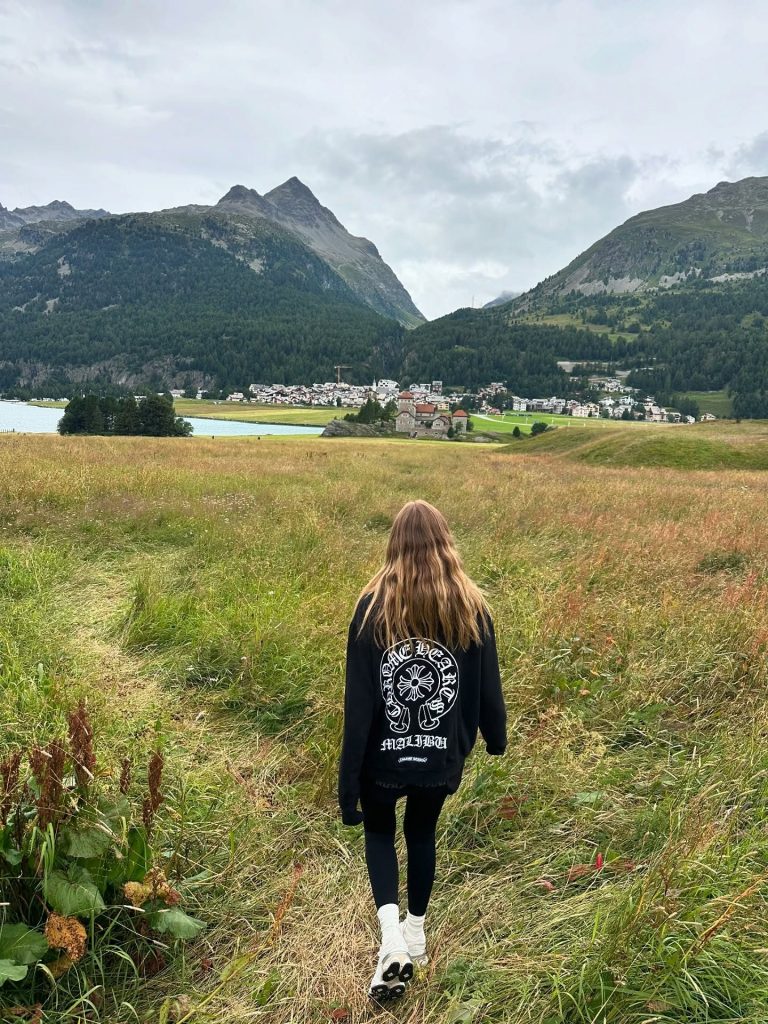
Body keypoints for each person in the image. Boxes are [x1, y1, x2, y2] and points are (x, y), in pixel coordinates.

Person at [338, 499, 507, 1002]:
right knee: (422, 833)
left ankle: (390, 937)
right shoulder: (471, 606)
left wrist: (349, 789)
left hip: (381, 761)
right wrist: (494, 738)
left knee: (380, 832)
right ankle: (415, 932)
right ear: (445, 545)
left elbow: (359, 705)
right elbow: (488, 689)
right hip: (439, 759)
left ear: (394, 546)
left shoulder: (371, 609)